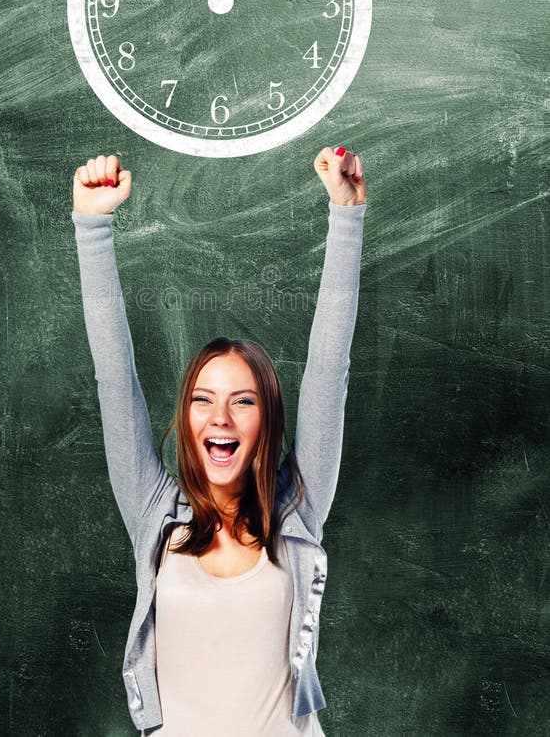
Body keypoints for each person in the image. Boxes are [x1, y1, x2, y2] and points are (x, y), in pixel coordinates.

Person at [71, 147, 366, 735]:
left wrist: (347, 215)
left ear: (266, 425)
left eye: (243, 400)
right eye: (202, 400)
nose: (220, 418)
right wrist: (93, 227)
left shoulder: (297, 515)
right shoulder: (156, 515)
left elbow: (329, 373)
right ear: (185, 420)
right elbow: (114, 377)